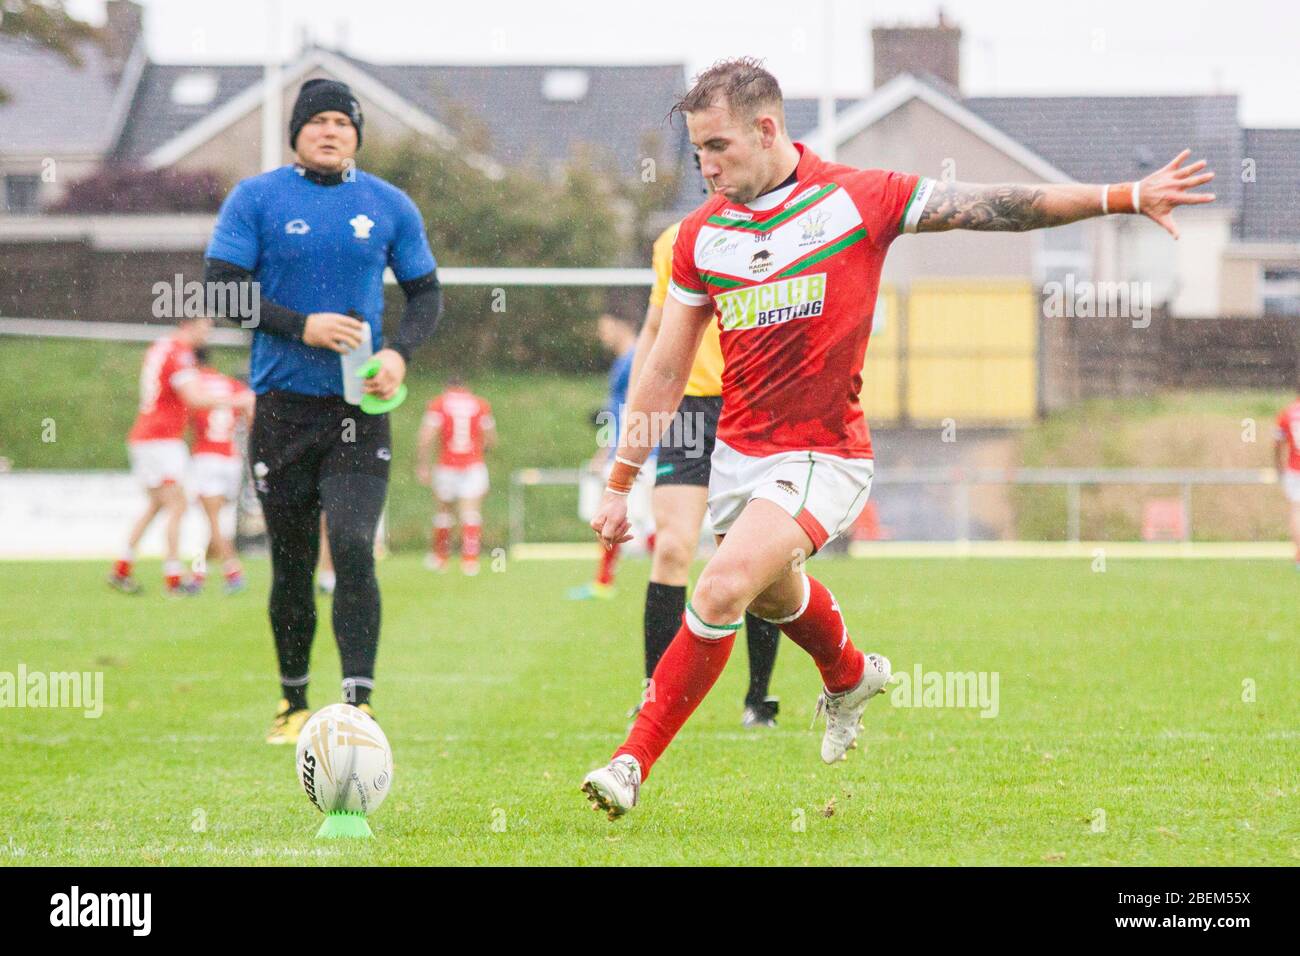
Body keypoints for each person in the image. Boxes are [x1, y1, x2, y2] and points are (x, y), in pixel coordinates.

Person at [581, 57, 1216, 818]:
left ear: (767, 129)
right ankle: (851, 676)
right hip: (739, 460)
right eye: (697, 152)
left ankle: (631, 761)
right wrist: (621, 482)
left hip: (825, 457)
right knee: (777, 599)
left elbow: (1001, 206)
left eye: (718, 146)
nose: (706, 166)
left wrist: (1123, 197)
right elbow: (663, 369)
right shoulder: (699, 237)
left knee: (720, 587)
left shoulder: (860, 197)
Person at [203, 78, 443, 744]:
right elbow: (220, 290)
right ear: (296, 133)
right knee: (292, 561)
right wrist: (299, 325)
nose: (331, 130)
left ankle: (359, 703)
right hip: (282, 411)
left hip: (359, 410)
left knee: (356, 545)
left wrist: (398, 354)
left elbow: (426, 295)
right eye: (318, 121)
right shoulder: (256, 199)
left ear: (356, 134)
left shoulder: (389, 204)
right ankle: (293, 702)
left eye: (343, 121)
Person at [630, 198, 780, 729]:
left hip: (753, 405)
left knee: (753, 559)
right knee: (673, 547)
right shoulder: (675, 241)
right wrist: (636, 419)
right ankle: (656, 696)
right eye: (706, 160)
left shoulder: (779, 233)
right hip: (689, 409)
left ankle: (758, 699)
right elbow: (654, 331)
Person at [109, 317, 250, 595]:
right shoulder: (180, 353)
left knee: (157, 504)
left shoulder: (161, 346)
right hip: (162, 439)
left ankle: (122, 568)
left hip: (147, 434)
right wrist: (237, 400)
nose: (208, 333)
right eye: (206, 326)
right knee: (178, 504)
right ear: (189, 324)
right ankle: (173, 577)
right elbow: (194, 399)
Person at [568, 313, 640, 600]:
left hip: (635, 450)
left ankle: (605, 581)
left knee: (639, 520)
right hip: (623, 448)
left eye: (605, 327)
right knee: (615, 515)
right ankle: (604, 581)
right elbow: (619, 414)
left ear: (623, 323)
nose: (602, 335)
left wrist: (624, 451)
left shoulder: (636, 358)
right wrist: (605, 451)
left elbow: (637, 409)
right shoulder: (624, 361)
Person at [186, 348, 254, 594]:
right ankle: (197, 575)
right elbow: (251, 407)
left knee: (212, 520)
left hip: (206, 457)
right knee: (212, 521)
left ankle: (233, 571)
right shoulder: (230, 384)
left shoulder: (194, 385)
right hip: (231, 459)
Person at [416, 377, 496, 575]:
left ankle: (440, 558)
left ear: (447, 387)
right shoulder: (480, 404)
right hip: (473, 464)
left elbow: (426, 436)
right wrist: (480, 452)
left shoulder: (439, 403)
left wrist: (423, 464)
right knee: (471, 513)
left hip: (447, 464)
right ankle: (470, 560)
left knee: (444, 511)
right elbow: (491, 438)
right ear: (466, 387)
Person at [1274, 389, 1300, 567]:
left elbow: (1277, 443)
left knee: (1297, 510)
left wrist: (1277, 466)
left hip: (1295, 468)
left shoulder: (1288, 413)